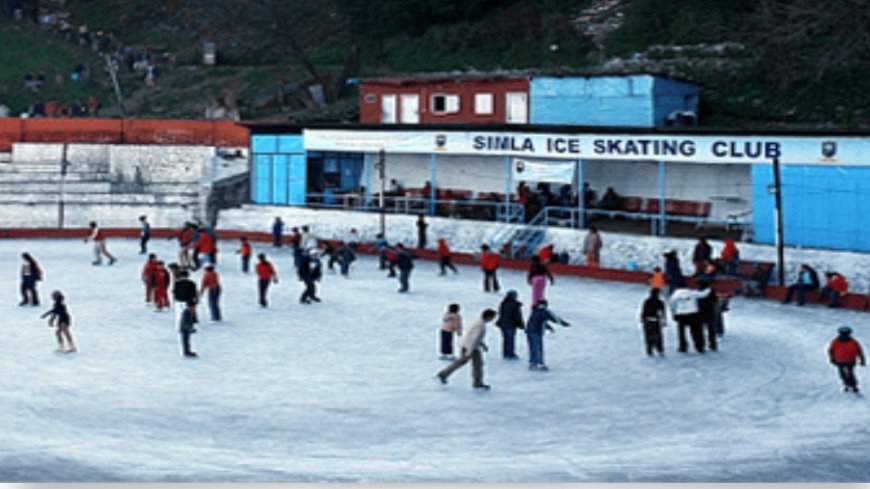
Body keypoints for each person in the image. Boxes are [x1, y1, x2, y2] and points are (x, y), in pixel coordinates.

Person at [437, 308, 497, 390]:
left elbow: (475, 337)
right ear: (488, 317)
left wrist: (483, 345)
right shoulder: (480, 326)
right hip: (470, 346)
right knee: (463, 362)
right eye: (493, 317)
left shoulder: (478, 321)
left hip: (468, 345)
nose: (493, 320)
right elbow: (474, 339)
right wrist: (468, 353)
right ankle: (443, 374)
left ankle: (477, 382)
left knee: (477, 364)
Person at [525, 299, 570, 371]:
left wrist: (548, 327)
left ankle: (533, 363)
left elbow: (540, 320)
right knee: (538, 347)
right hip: (537, 331)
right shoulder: (544, 311)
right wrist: (563, 323)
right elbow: (554, 318)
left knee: (533, 347)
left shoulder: (535, 310)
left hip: (529, 331)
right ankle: (539, 363)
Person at [668, 281, 712, 354]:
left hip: (681, 314)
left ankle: (683, 347)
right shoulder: (692, 293)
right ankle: (699, 347)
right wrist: (709, 288)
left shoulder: (675, 295)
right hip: (693, 314)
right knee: (696, 331)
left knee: (681, 332)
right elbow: (703, 294)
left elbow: (672, 305)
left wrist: (674, 313)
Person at [828, 326, 865, 393]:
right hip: (844, 360)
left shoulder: (836, 341)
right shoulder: (851, 342)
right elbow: (859, 351)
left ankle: (850, 385)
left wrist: (832, 358)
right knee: (847, 373)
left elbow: (831, 350)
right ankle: (850, 385)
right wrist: (861, 359)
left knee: (846, 373)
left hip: (844, 360)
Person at [496, 290, 524, 360]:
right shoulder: (515, 305)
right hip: (510, 324)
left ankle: (506, 353)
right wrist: (521, 324)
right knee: (510, 339)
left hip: (503, 324)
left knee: (506, 339)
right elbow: (517, 316)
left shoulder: (503, 303)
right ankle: (510, 353)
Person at [639, 288, 666, 357]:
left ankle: (649, 350)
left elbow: (643, 310)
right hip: (656, 320)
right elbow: (663, 313)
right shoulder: (660, 302)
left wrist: (642, 319)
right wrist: (664, 321)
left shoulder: (647, 301)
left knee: (648, 335)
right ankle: (660, 349)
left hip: (647, 320)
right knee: (658, 335)